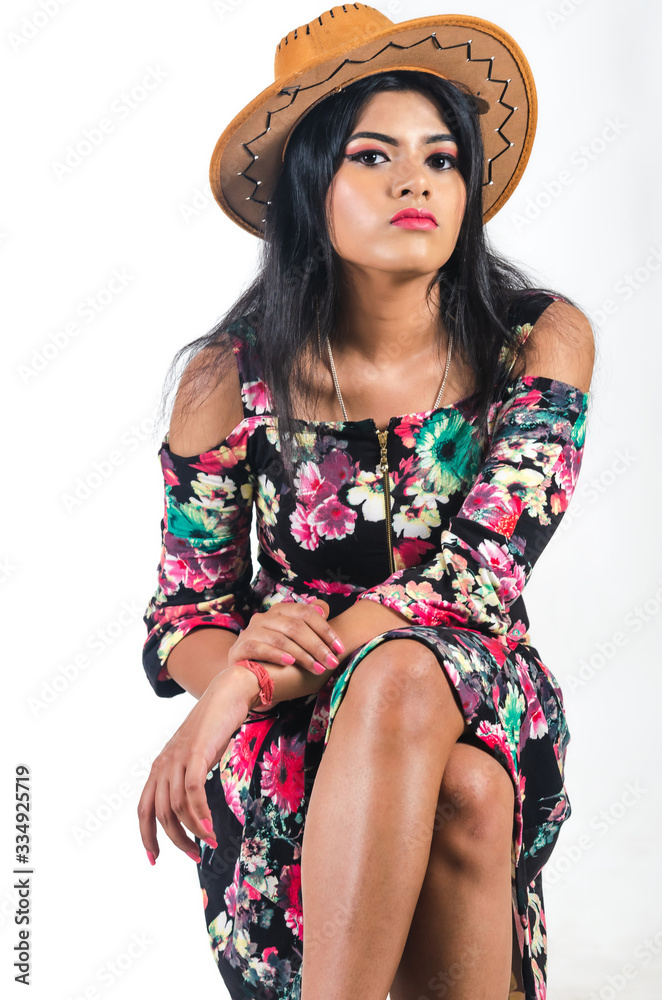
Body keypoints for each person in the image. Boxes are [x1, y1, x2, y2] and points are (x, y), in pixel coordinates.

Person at [137, 6, 595, 1000]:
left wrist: (242, 686)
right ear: (311, 188)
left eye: (439, 160)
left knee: (404, 674)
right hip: (298, 733)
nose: (413, 182)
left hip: (478, 687)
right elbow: (185, 614)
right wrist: (244, 662)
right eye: (372, 156)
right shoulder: (229, 380)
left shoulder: (535, 342)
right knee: (467, 796)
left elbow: (473, 575)